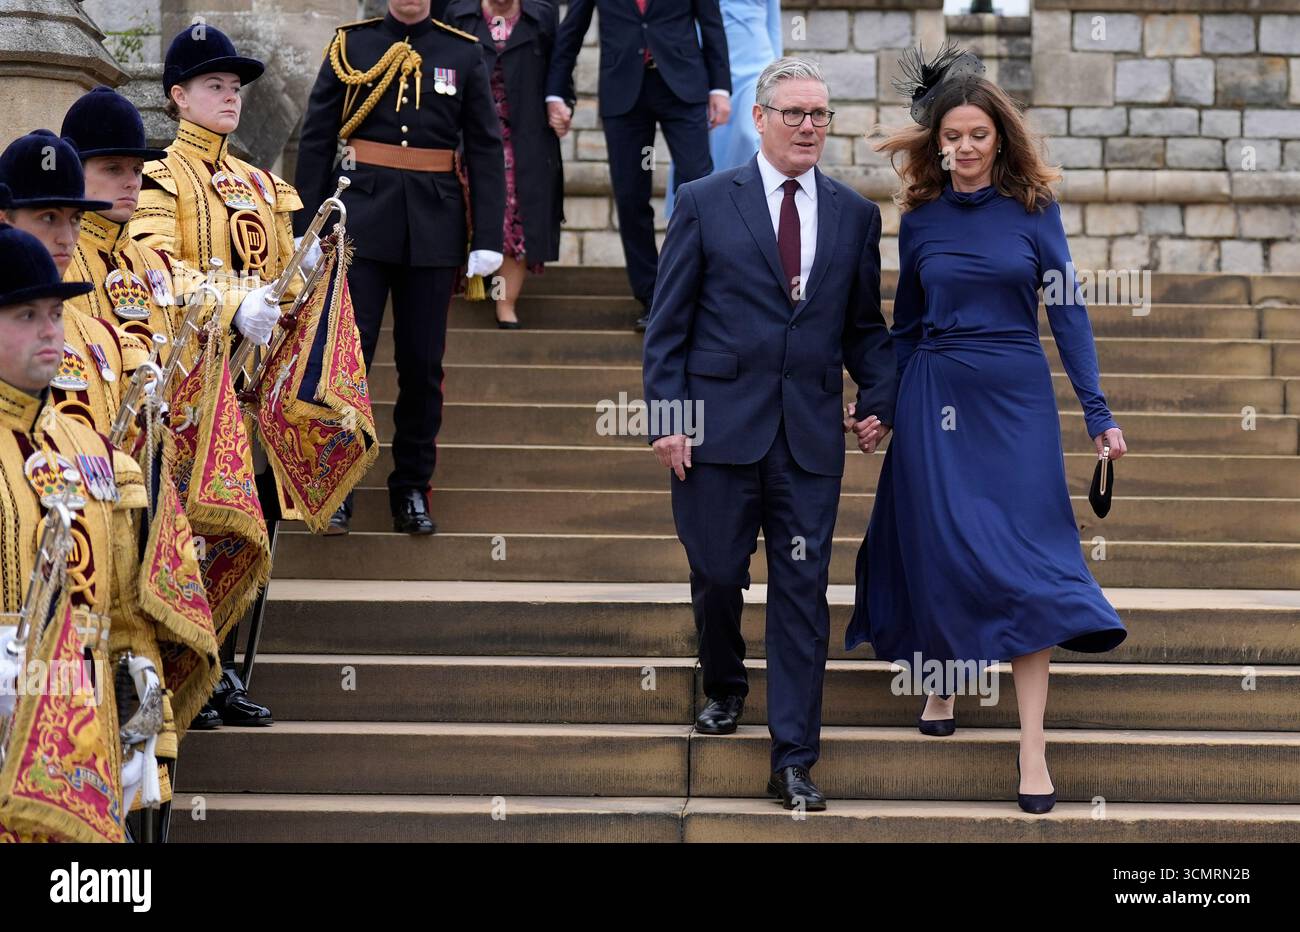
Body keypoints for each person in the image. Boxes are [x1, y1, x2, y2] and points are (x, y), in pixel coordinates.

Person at [847, 49, 1129, 815]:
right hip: (937, 393)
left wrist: (1098, 413)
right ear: (936, 141)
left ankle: (1032, 750)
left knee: (1030, 561)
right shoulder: (921, 221)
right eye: (953, 135)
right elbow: (904, 329)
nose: (965, 147)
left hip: (1016, 401)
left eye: (979, 134)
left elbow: (1067, 312)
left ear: (1000, 138)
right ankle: (940, 681)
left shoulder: (1036, 212)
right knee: (940, 542)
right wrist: (887, 406)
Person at [642, 57, 895, 811]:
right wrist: (668, 418)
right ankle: (723, 681)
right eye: (795, 113)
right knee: (718, 572)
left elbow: (864, 330)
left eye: (820, 115)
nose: (810, 127)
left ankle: (793, 759)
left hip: (808, 441)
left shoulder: (855, 215)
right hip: (716, 432)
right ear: (760, 117)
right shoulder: (704, 201)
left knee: (801, 594)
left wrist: (879, 393)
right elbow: (668, 326)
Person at [128, 23, 301, 730]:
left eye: (234, 87)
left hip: (256, 395)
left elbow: (283, 283)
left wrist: (301, 285)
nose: (229, 97)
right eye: (213, 86)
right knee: (190, 533)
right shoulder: (160, 178)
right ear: (177, 98)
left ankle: (222, 670)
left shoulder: (262, 183)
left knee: (242, 537)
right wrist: (235, 302)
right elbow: (155, 272)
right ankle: (183, 671)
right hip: (192, 396)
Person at [295, 0, 506, 535]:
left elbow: (484, 147)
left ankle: (412, 486)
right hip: (359, 225)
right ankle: (336, 485)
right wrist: (306, 227)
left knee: (421, 365)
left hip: (433, 227)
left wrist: (487, 236)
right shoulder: (352, 45)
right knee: (347, 357)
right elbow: (318, 137)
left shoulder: (462, 51)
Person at [0, 224, 147, 842]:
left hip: (86, 721)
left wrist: (145, 710)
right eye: (26, 313)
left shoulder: (89, 447)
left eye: (57, 311)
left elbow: (121, 599)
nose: (50, 330)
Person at [546, 0, 731, 330]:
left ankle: (695, 289)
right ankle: (653, 296)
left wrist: (720, 87)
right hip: (623, 90)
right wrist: (555, 92)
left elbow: (712, 24)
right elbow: (572, 28)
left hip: (683, 86)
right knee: (630, 196)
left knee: (698, 190)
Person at [0, 130, 147, 436]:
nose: (67, 239)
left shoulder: (109, 340)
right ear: (5, 219)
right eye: (48, 218)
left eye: (75, 219)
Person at [444, 0, 564, 329]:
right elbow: (441, 68)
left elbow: (559, 68)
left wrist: (561, 103)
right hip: (470, 134)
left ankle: (504, 303)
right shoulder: (459, 15)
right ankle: (463, 285)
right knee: (465, 209)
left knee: (515, 217)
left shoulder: (541, 16)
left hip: (525, 136)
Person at [665, 0, 782, 216]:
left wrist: (778, 72)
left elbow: (773, 24)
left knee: (751, 134)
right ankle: (707, 217)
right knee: (704, 148)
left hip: (756, 66)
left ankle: (753, 209)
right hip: (711, 67)